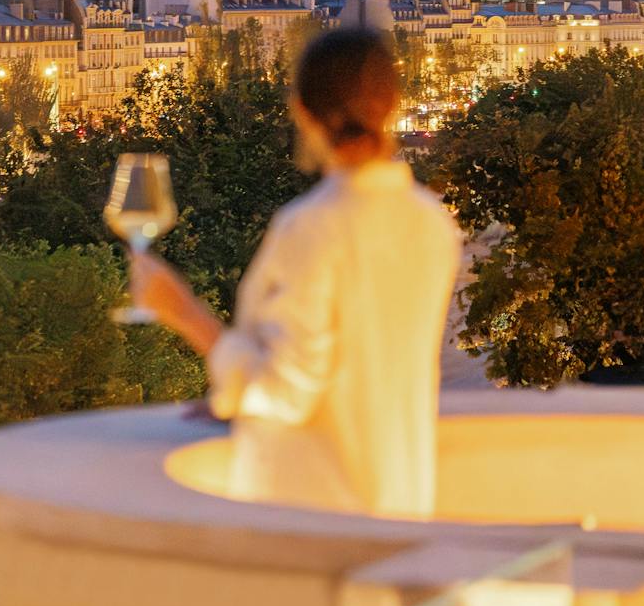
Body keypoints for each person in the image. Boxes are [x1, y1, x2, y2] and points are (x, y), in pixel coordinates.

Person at [130, 29, 462, 517]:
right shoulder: (433, 221)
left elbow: (286, 391)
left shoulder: (312, 226)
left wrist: (183, 312)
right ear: (392, 108)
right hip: (400, 492)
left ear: (303, 113)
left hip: (313, 506)